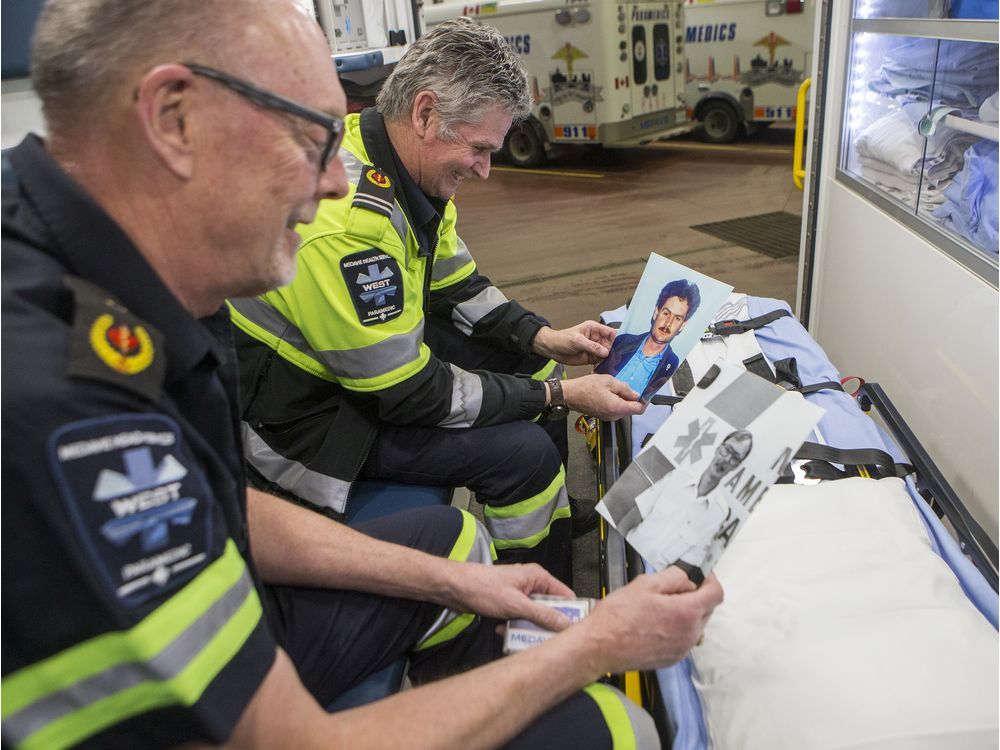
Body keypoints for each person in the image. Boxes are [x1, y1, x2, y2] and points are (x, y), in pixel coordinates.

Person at [1, 1, 722, 748]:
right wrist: (597, 644)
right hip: (314, 440)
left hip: (254, 540)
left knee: (461, 547)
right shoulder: (63, 407)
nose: (332, 183)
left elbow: (220, 506)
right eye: (310, 137)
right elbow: (281, 738)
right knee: (623, 729)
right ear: (174, 120)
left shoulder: (112, 276)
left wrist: (463, 581)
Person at [228, 18, 644, 584]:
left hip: (354, 377)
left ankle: (550, 527)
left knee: (538, 367)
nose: (486, 170)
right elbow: (407, 392)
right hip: (310, 427)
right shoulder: (353, 228)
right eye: (479, 149)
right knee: (524, 451)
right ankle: (533, 595)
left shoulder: (400, 167)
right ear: (425, 113)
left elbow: (460, 285)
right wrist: (559, 394)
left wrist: (546, 339)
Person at [625, 431, 753, 584]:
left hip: (652, 578)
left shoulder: (719, 512)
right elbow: (632, 517)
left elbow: (684, 566)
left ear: (737, 466)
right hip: (624, 550)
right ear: (719, 447)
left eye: (735, 458)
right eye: (727, 450)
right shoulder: (678, 475)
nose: (726, 459)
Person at [597, 279, 701, 401]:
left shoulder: (673, 363)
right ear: (656, 312)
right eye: (666, 313)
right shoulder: (623, 340)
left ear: (682, 325)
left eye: (677, 318)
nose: (668, 323)